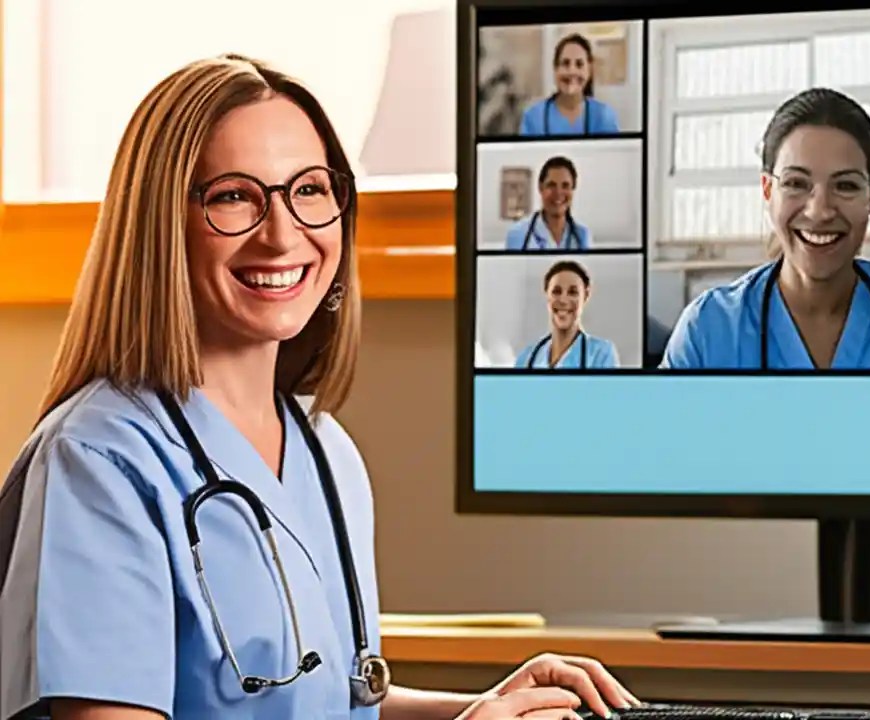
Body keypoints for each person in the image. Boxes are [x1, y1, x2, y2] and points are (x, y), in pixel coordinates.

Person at [0, 54, 641, 719]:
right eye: (233, 196)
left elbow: (330, 700)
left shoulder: (325, 453)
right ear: (162, 225)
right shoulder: (98, 463)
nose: (282, 234)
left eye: (308, 190)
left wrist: (482, 708)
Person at [660, 87, 870, 370]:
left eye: (846, 185)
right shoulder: (708, 331)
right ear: (768, 191)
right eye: (797, 183)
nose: (820, 211)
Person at [515, 261, 619, 369]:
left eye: (573, 292)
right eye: (556, 292)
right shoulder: (526, 358)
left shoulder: (601, 354)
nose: (563, 300)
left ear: (586, 296)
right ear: (547, 294)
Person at [519, 34, 620, 136]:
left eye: (579, 64)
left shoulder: (604, 116)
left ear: (589, 71)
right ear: (555, 69)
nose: (572, 71)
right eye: (565, 63)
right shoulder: (533, 117)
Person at [505, 157, 592, 250]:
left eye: (565, 185)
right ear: (540, 187)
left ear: (573, 189)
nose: (558, 192)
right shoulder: (518, 234)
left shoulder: (582, 235)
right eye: (551, 185)